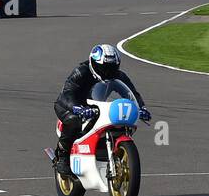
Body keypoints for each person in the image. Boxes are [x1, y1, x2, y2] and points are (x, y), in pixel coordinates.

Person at [52, 44, 150, 177]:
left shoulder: (119, 76)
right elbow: (67, 93)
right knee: (74, 121)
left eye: (112, 68)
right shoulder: (81, 72)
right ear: (94, 63)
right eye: (104, 68)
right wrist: (76, 107)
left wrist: (141, 108)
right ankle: (62, 158)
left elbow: (132, 93)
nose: (107, 72)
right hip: (70, 104)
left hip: (95, 105)